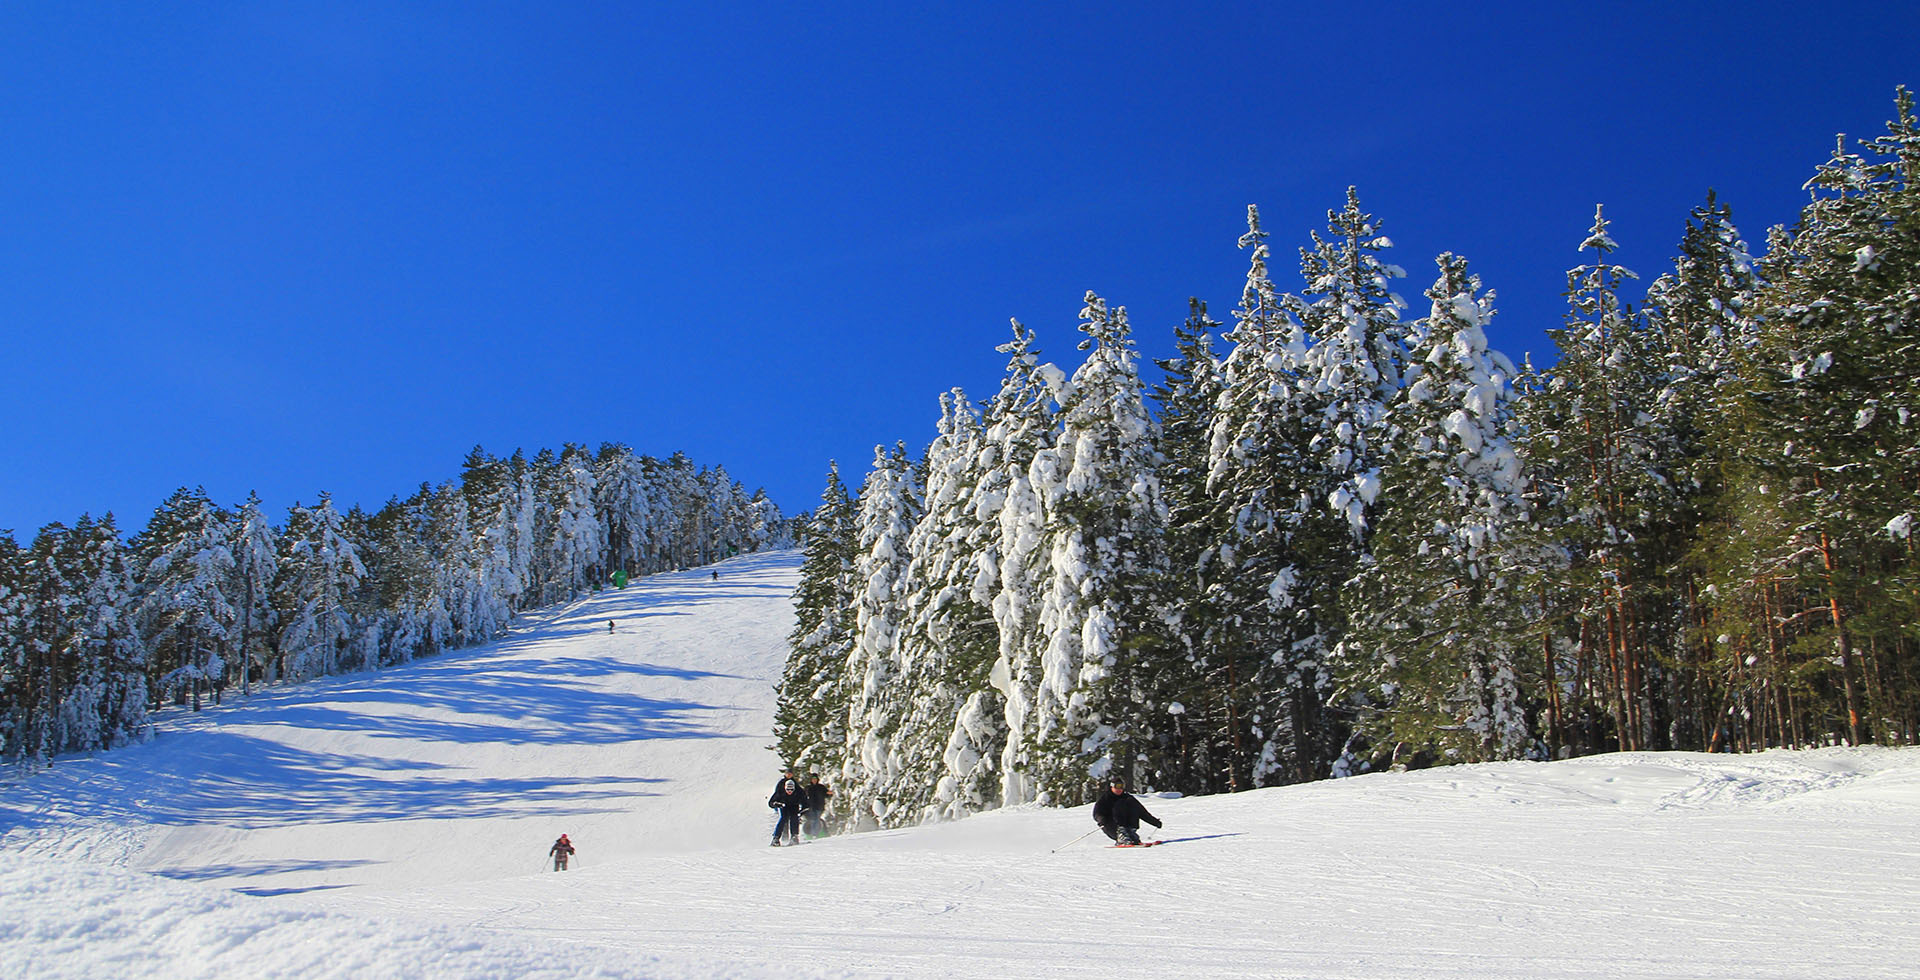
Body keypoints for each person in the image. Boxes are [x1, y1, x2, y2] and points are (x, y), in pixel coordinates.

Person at [1091, 777, 1162, 846]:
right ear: (1111, 787)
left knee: (1130, 802)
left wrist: (1155, 822)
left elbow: (1142, 812)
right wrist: (1101, 819)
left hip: (1127, 826)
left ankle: (1131, 832)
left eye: (1121, 787)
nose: (1119, 789)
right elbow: (1097, 813)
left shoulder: (1127, 797)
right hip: (1111, 827)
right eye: (1116, 787)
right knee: (1119, 804)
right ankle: (1121, 836)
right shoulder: (1105, 799)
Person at [768, 775, 807, 846]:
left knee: (794, 818)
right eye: (788, 789)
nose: (790, 791)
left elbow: (806, 802)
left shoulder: (799, 792)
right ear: (785, 788)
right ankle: (776, 838)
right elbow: (771, 803)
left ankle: (794, 836)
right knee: (783, 818)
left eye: (791, 789)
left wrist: (803, 810)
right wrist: (776, 804)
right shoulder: (780, 792)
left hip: (794, 806)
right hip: (784, 806)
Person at [803, 773, 833, 838]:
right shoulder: (808, 788)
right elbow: (803, 796)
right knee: (813, 819)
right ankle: (812, 833)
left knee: (816, 819)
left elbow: (826, 794)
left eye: (815, 779)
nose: (814, 780)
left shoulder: (821, 787)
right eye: (813, 779)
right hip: (811, 806)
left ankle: (815, 833)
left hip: (819, 806)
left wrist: (830, 793)